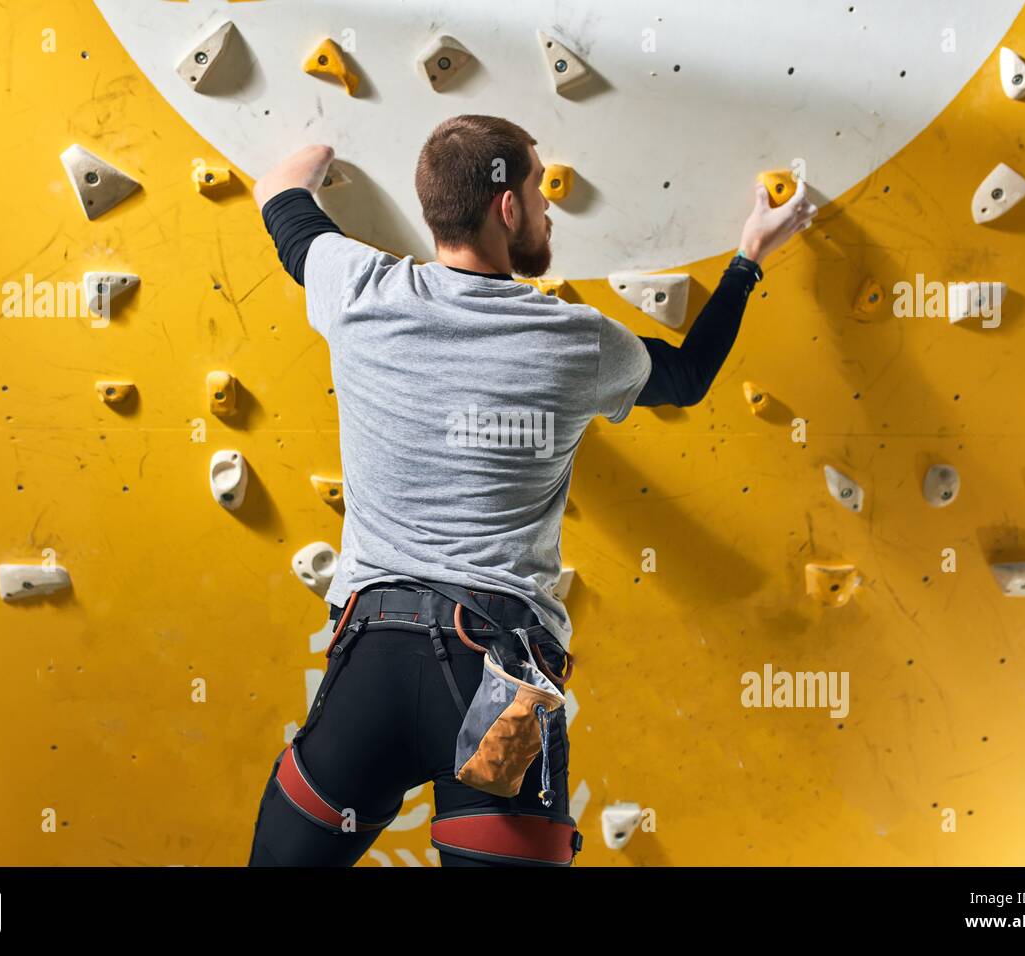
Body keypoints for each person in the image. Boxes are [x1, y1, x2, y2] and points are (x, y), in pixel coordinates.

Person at [246, 115, 816, 866]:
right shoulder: (579, 342)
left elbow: (282, 189)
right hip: (498, 678)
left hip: (373, 665)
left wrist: (328, 144)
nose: (547, 210)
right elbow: (689, 375)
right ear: (507, 209)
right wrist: (749, 256)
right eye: (539, 193)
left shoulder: (357, 290)